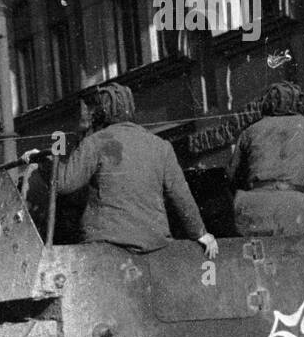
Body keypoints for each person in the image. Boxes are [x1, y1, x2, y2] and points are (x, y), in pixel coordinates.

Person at [54, 83, 218, 258]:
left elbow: (64, 183)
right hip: (153, 245)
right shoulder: (161, 146)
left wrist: (45, 162)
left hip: (106, 245)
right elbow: (180, 195)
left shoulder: (95, 143)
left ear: (101, 113)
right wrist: (201, 233)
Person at [228, 81, 304, 236]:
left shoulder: (249, 131)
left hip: (251, 207)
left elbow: (232, 176)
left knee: (255, 257)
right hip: (293, 207)